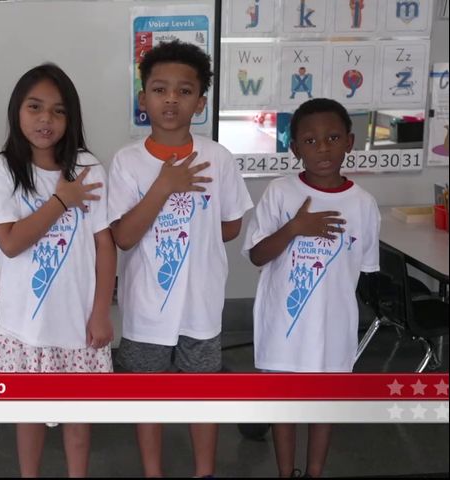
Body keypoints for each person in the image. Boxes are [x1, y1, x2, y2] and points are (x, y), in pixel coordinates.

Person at [108, 40, 253, 477]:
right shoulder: (127, 162)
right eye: (160, 89)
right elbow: (124, 237)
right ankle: (153, 471)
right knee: (147, 397)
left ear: (201, 102)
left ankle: (203, 470)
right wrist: (164, 187)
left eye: (184, 91)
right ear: (143, 99)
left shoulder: (218, 158)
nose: (171, 99)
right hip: (146, 308)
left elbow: (230, 226)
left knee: (201, 394)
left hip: (201, 305)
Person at [0, 63, 116, 477]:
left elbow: (104, 244)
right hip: (26, 326)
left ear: (70, 118)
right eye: (35, 107)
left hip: (77, 324)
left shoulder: (88, 166)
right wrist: (61, 201)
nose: (46, 119)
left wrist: (100, 312)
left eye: (58, 111)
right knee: (30, 418)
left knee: (78, 421)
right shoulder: (2, 170)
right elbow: (11, 241)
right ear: (16, 112)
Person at [243, 98, 380, 478]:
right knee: (283, 408)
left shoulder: (364, 204)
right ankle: (286, 472)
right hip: (282, 328)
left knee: (324, 407)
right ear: (294, 148)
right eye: (310, 140)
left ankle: (315, 472)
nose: (323, 147)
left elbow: (363, 268)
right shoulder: (280, 193)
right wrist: (294, 228)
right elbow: (256, 256)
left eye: (333, 137)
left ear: (350, 142)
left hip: (332, 329)